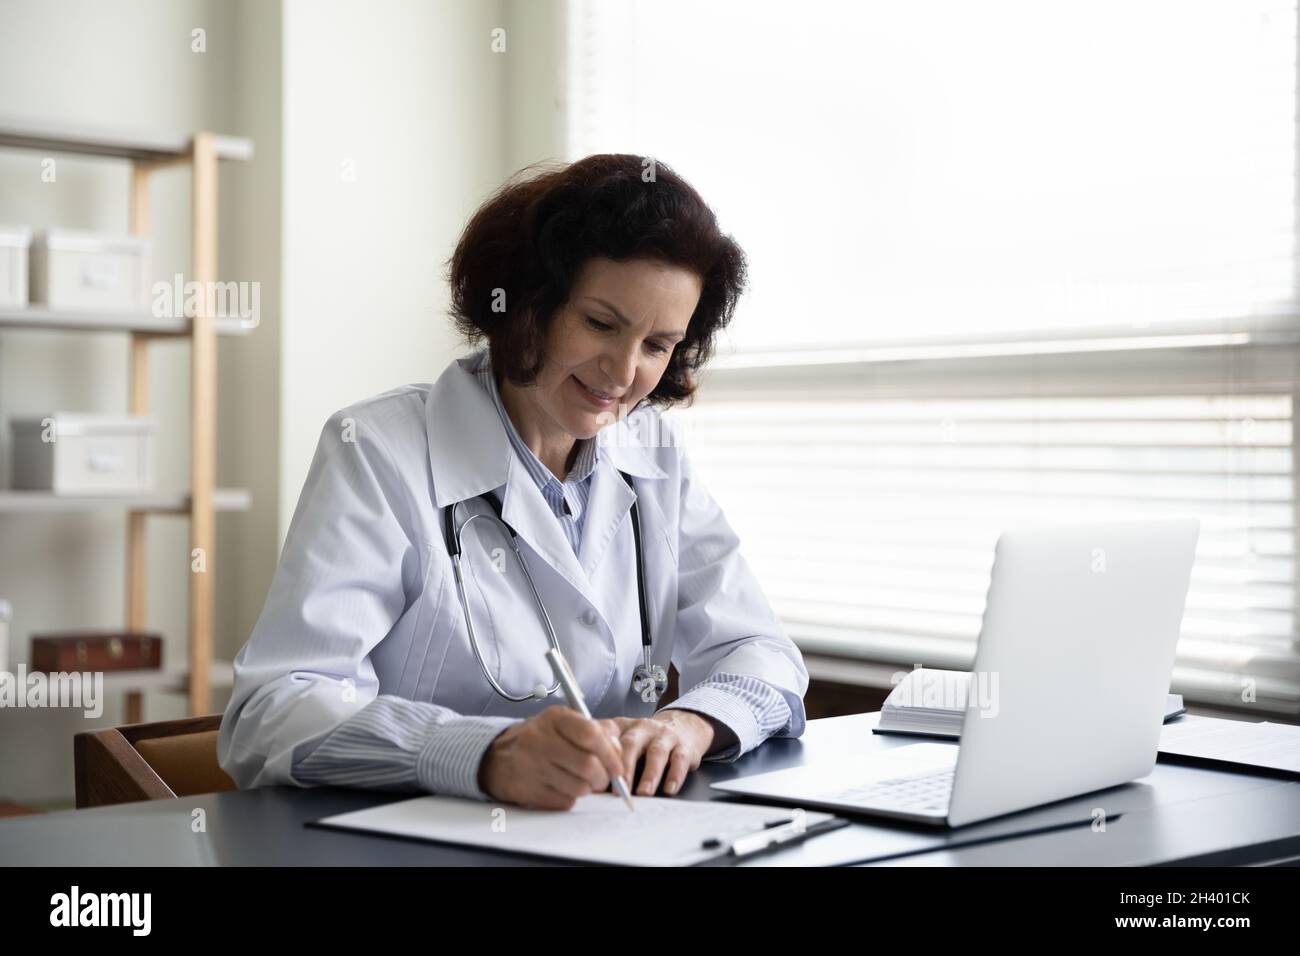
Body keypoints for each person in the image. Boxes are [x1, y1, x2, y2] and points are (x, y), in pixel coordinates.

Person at [218, 154, 808, 810]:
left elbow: (760, 651)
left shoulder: (653, 454)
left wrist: (688, 724)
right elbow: (275, 708)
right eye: (601, 324)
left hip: (606, 836)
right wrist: (481, 753)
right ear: (529, 302)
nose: (623, 370)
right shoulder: (379, 450)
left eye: (658, 344)